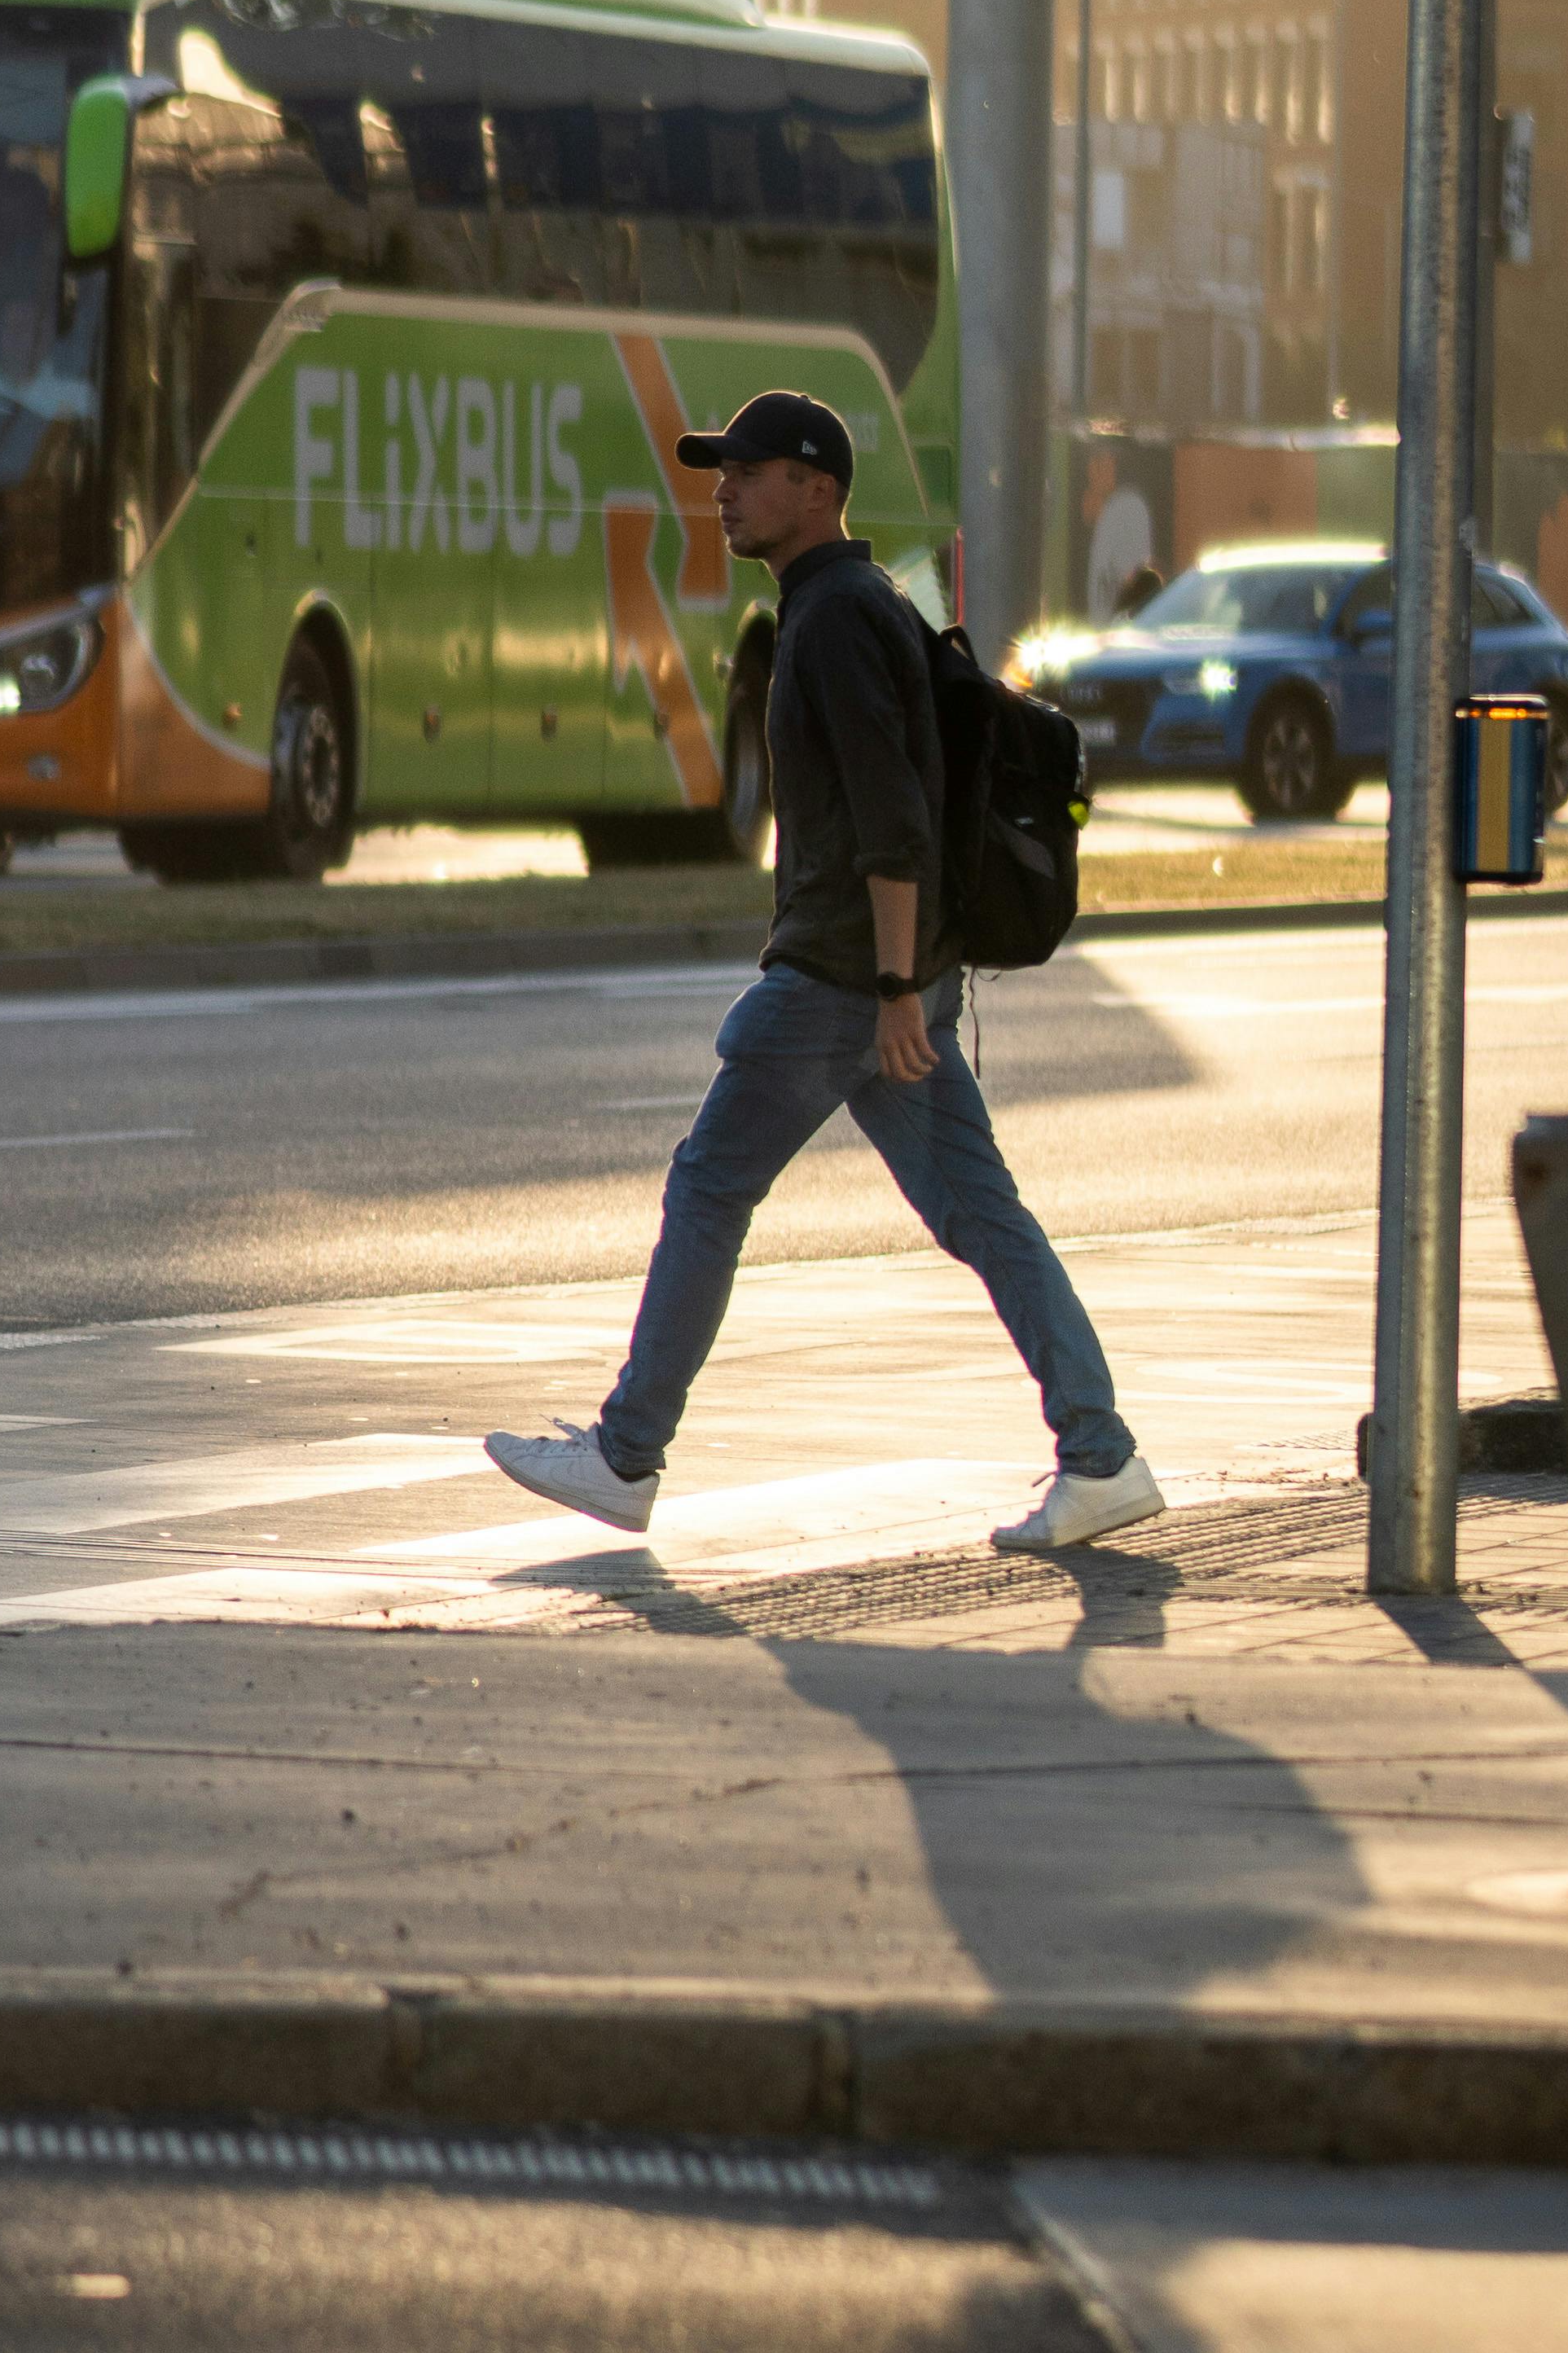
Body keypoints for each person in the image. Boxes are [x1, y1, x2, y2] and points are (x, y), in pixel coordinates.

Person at [485, 386, 1162, 1557]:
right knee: (985, 1219)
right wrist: (911, 988)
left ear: (816, 488)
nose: (725, 489)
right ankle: (1102, 1457)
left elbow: (890, 812)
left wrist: (897, 991)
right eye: (721, 471)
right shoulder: (852, 604)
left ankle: (626, 1454)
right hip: (884, 979)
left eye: (747, 471)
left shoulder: (839, 617)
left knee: (709, 1186)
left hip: (843, 980)